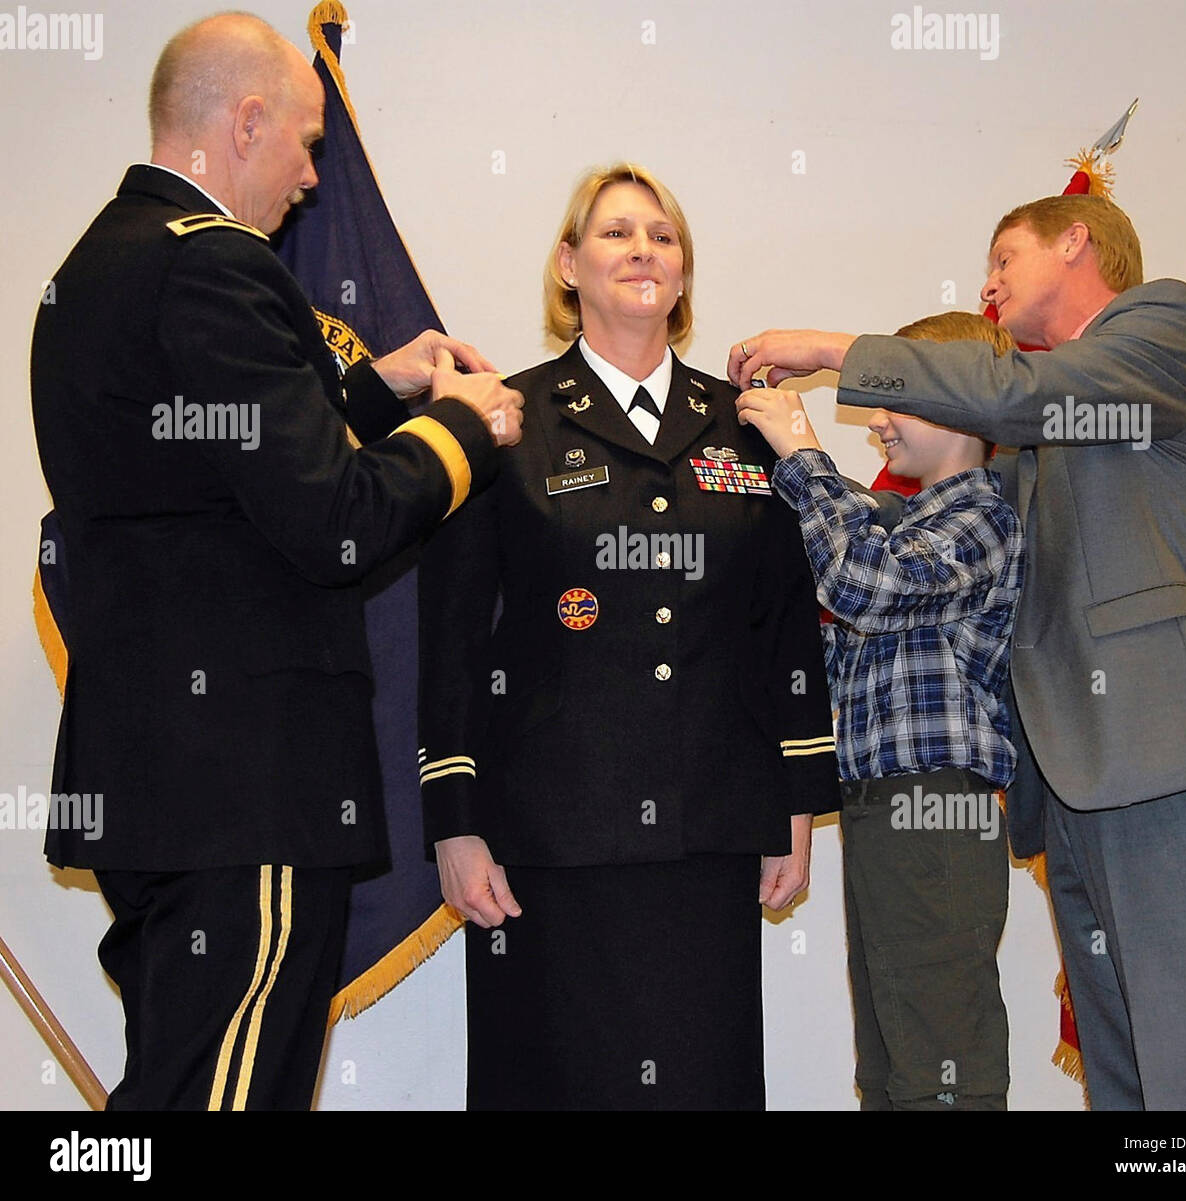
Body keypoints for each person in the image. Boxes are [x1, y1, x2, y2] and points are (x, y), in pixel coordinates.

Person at [29, 12, 524, 1110]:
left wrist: (370, 388)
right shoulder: (214, 269)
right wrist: (461, 431)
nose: (310, 174)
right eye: (305, 140)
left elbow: (204, 469)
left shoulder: (101, 266)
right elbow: (333, 519)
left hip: (164, 780)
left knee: (172, 1089)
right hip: (246, 781)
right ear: (245, 123)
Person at [728, 193, 1186, 1111]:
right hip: (1068, 783)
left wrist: (833, 353)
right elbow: (901, 544)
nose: (987, 285)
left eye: (1003, 258)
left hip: (1164, 753)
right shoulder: (1023, 444)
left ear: (1075, 241)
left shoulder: (1165, 324)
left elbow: (1012, 393)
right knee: (1126, 1077)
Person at [418, 163, 838, 1110]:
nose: (642, 250)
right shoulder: (502, 421)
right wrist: (456, 818)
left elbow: (782, 627)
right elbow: (453, 636)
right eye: (614, 233)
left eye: (662, 235)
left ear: (683, 276)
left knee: (702, 1082)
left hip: (711, 828)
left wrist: (797, 800)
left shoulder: (744, 427)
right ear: (568, 264)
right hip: (547, 835)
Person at [737, 311, 1022, 1110]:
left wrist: (803, 454)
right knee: (893, 1058)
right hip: (879, 801)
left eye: (898, 397)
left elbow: (866, 584)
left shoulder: (981, 516)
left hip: (932, 802)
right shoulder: (904, 520)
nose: (877, 418)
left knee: (941, 1057)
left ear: (962, 405)